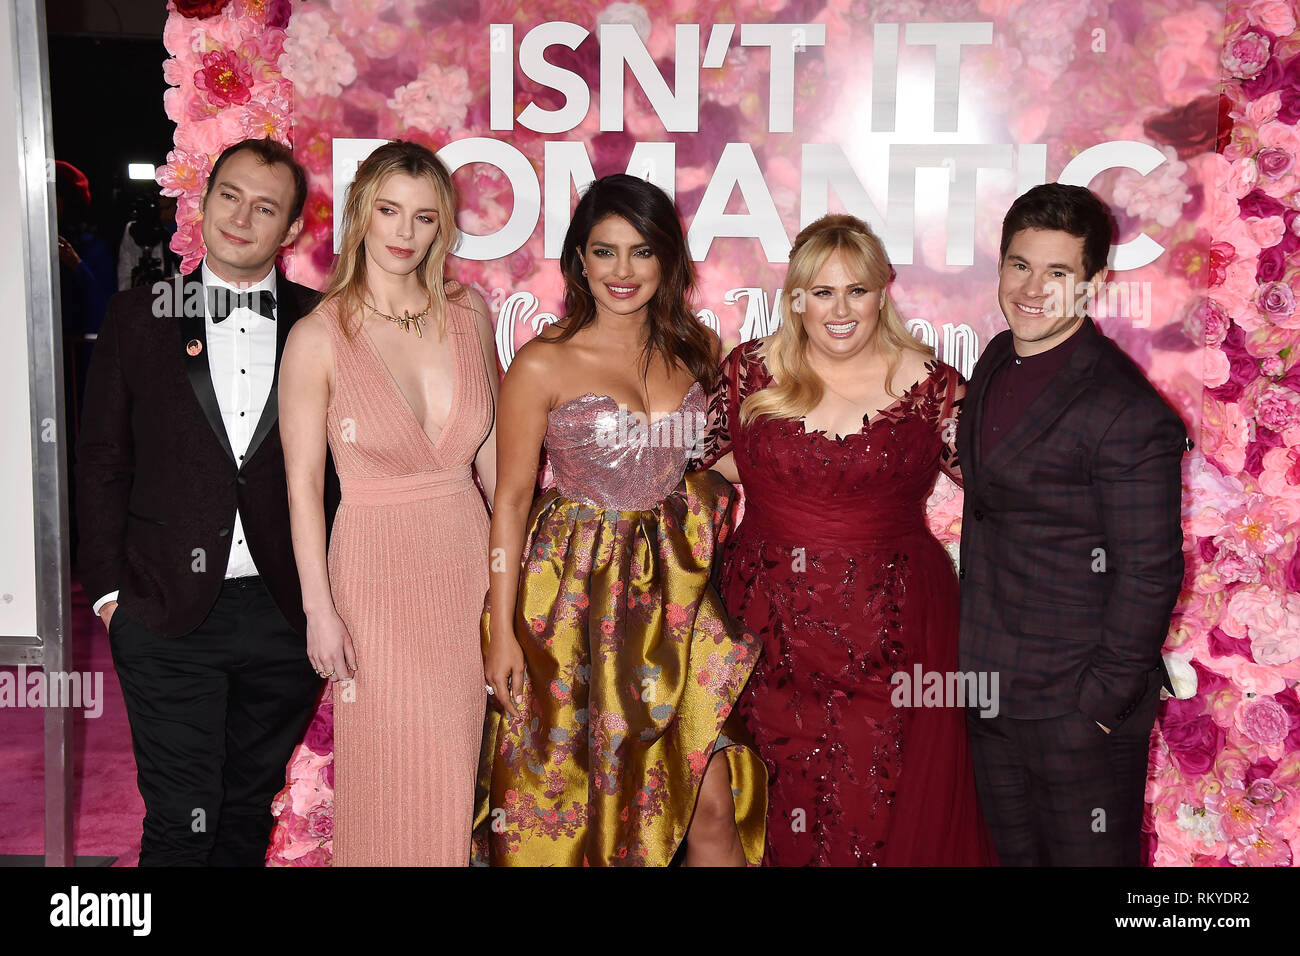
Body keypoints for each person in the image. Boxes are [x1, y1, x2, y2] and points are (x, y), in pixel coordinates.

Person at [475, 174, 766, 866]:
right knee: (580, 814)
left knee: (711, 807)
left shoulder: (694, 352)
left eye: (641, 251)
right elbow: (512, 500)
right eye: (604, 252)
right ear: (580, 260)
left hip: (676, 603)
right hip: (570, 613)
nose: (622, 271)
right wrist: (501, 634)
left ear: (667, 259)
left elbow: (709, 468)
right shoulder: (544, 362)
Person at [696, 214, 994, 866]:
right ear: (795, 296)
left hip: (893, 637)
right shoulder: (747, 372)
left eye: (855, 290)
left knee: (880, 812)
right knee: (771, 804)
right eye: (821, 291)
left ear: (882, 291)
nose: (839, 309)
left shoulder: (932, 387)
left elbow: (1005, 493)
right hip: (765, 637)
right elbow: (699, 478)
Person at [76, 137, 338, 866]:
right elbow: (101, 460)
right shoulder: (138, 318)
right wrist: (109, 597)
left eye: (265, 207)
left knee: (246, 810)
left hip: (284, 615)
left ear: (290, 229)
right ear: (204, 199)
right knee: (182, 818)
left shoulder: (325, 325)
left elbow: (342, 472)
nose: (241, 218)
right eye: (230, 196)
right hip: (164, 613)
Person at [278, 140, 499, 866]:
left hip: (464, 563)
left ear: (444, 228)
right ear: (360, 215)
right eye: (389, 210)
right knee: (387, 777)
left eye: (425, 217)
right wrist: (319, 608)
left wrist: (514, 585)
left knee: (455, 769)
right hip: (372, 573)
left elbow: (496, 467)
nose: (405, 232)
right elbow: (303, 486)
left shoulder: (471, 316)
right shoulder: (317, 336)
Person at [957, 183, 1186, 866]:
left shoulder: (1125, 410)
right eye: (1020, 266)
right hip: (990, 693)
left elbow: (1150, 572)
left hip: (1074, 712)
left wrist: (1098, 705)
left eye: (1059, 273)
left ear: (1091, 284)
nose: (1033, 289)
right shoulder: (997, 356)